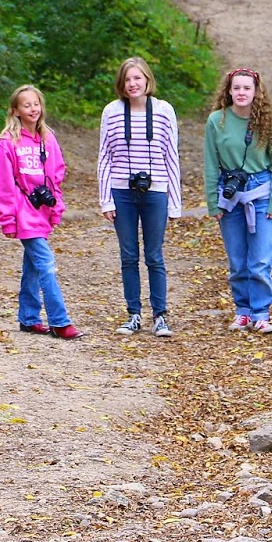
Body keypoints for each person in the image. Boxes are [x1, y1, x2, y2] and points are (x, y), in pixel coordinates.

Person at [97, 57, 182, 338]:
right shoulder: (111, 111)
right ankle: (133, 314)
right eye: (128, 79)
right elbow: (105, 157)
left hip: (155, 191)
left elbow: (171, 156)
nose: (133, 84)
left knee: (154, 255)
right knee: (128, 255)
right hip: (122, 192)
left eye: (137, 78)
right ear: (121, 84)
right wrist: (106, 199)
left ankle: (160, 315)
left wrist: (174, 202)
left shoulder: (163, 110)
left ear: (147, 79)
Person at [0, 84, 80, 339]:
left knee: (32, 266)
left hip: (42, 210)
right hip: (22, 212)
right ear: (16, 111)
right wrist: (7, 218)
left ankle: (29, 318)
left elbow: (56, 175)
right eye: (26, 105)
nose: (33, 109)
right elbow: (4, 184)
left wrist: (56, 207)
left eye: (36, 104)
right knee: (46, 264)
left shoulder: (48, 138)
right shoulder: (7, 143)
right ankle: (59, 322)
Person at [204, 67, 272, 335]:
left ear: (256, 91)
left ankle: (261, 313)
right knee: (238, 260)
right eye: (236, 88)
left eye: (247, 88)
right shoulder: (217, 121)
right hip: (230, 194)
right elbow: (210, 164)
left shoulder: (267, 121)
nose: (241, 92)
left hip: (260, 192)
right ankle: (243, 311)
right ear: (228, 91)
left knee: (260, 260)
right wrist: (213, 201)